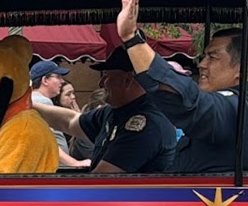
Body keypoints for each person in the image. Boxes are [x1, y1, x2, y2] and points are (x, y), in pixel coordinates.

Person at [116, 0, 248, 172]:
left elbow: (188, 103)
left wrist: (131, 38)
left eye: (212, 57)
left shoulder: (237, 106)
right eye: (203, 57)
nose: (202, 65)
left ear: (243, 69)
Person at [30, 46, 176, 174]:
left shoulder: (145, 125)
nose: (101, 83)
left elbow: (103, 178)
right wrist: (26, 106)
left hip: (134, 203)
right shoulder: (114, 111)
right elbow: (70, 122)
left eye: (106, 77)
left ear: (127, 80)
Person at [28, 59, 87, 168]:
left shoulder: (34, 100)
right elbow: (46, 139)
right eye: (58, 77)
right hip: (54, 169)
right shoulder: (42, 102)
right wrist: (74, 163)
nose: (62, 81)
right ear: (45, 80)